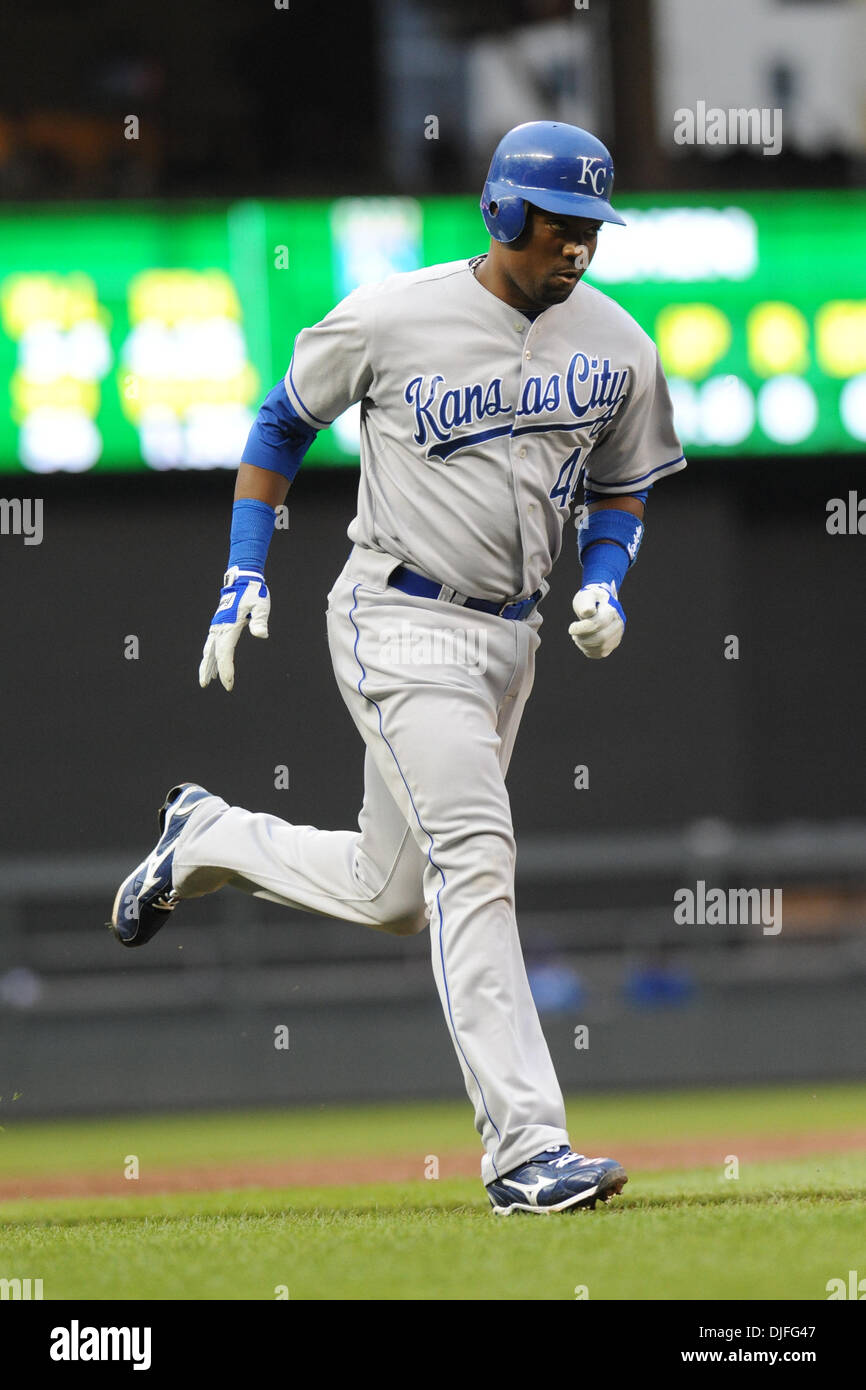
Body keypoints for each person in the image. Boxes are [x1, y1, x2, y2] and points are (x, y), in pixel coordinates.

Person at [110, 121, 686, 1215]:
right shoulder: (392, 313)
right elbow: (281, 423)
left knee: (394, 893)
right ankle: (525, 1149)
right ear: (501, 212)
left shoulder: (617, 342)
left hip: (510, 638)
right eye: (557, 224)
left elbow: (623, 483)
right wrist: (242, 572)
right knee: (476, 852)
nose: (575, 248)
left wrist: (606, 578)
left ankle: (210, 836)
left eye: (590, 230)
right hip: (398, 615)